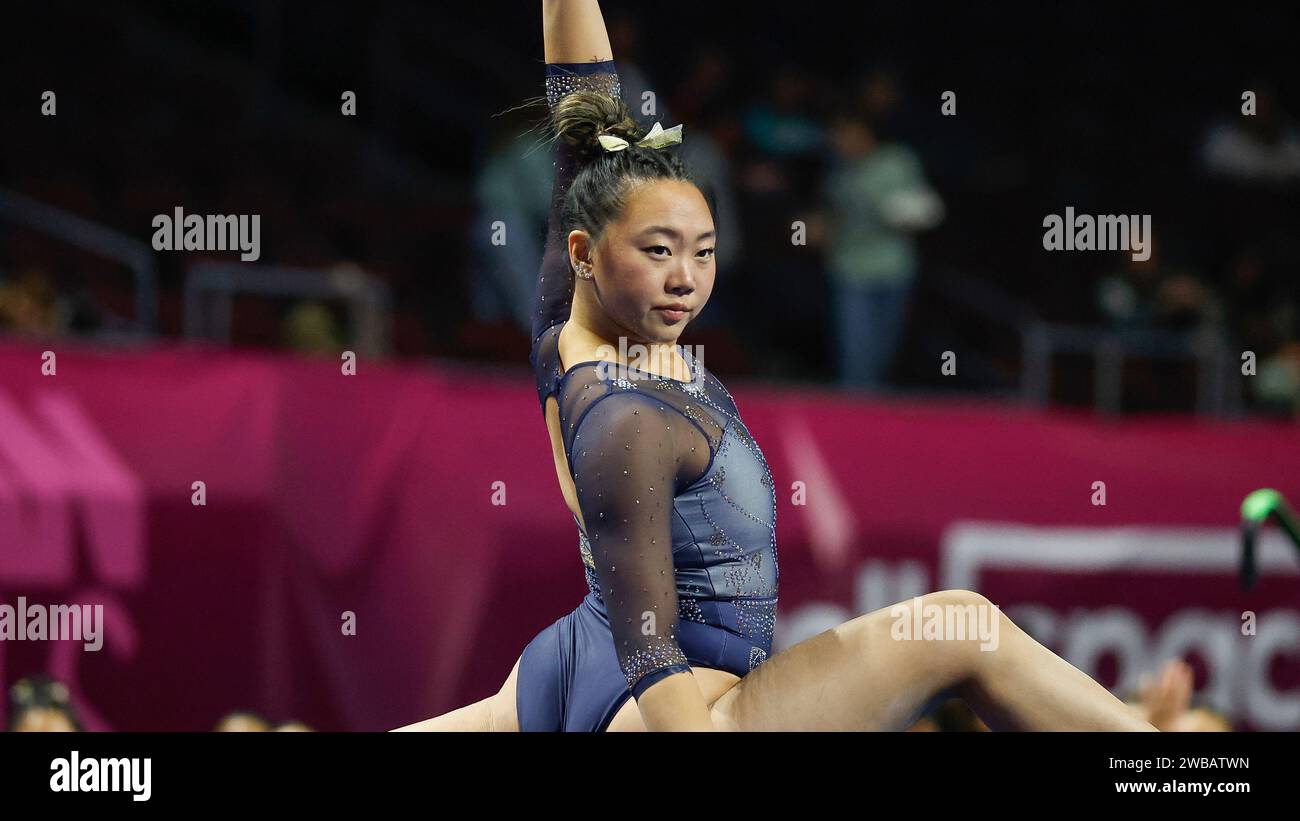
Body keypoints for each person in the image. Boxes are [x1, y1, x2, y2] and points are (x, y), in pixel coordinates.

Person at [394, 0, 1157, 733]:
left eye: (703, 251)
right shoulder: (621, 414)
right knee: (961, 627)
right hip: (674, 699)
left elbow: (582, 86)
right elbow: (651, 649)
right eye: (659, 251)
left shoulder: (577, 306)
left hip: (563, 667)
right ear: (585, 253)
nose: (685, 279)